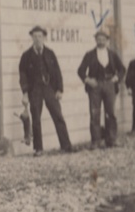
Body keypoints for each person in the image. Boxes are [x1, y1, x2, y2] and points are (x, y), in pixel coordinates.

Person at [18, 26, 73, 157]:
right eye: (35, 36)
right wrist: (25, 93)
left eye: (40, 36)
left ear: (44, 38)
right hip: (34, 90)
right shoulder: (26, 56)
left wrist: (59, 89)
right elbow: (23, 76)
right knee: (36, 118)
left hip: (49, 88)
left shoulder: (50, 53)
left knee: (58, 115)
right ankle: (38, 149)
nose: (37, 39)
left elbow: (58, 72)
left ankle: (66, 145)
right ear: (31, 38)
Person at [78, 30, 126, 148]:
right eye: (99, 39)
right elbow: (81, 71)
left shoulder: (112, 54)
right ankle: (96, 141)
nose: (101, 41)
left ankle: (111, 140)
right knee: (95, 113)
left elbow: (122, 69)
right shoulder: (89, 54)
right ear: (95, 40)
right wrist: (88, 80)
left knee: (110, 113)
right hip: (95, 87)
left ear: (107, 40)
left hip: (109, 85)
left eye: (103, 39)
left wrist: (116, 78)